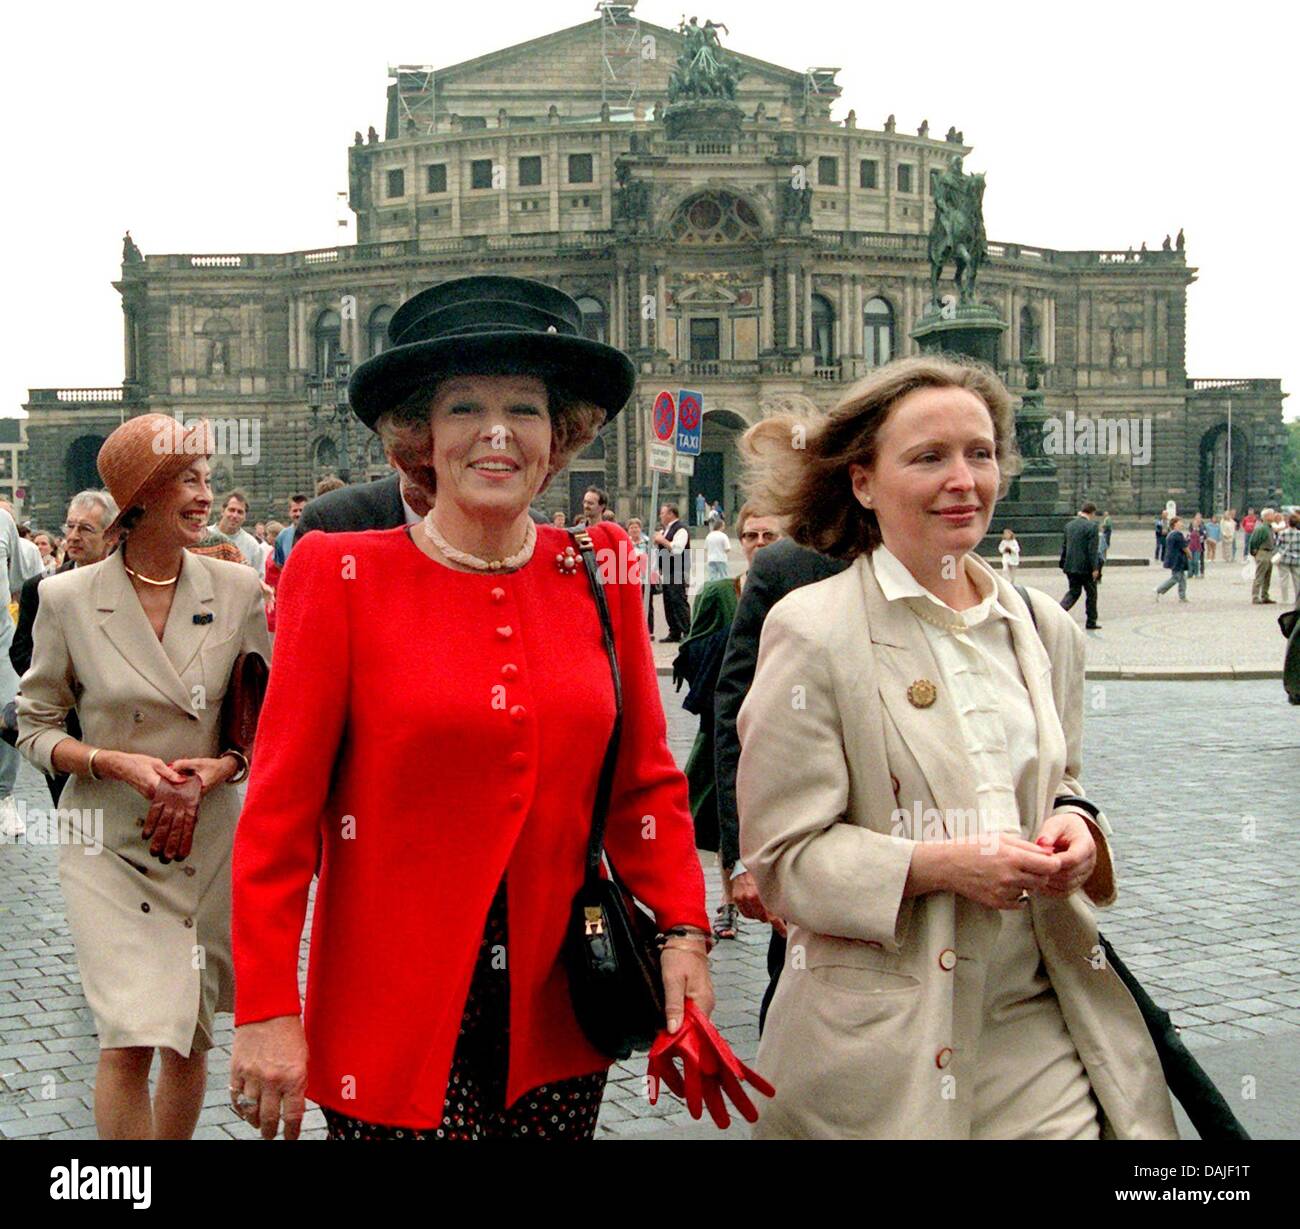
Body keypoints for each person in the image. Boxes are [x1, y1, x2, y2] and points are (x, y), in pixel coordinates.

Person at [229, 275, 713, 1142]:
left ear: (557, 435)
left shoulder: (601, 567)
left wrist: (683, 930)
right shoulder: (340, 576)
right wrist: (267, 1005)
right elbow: (277, 817)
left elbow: (642, 781)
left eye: (524, 409)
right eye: (465, 409)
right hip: (392, 1017)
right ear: (420, 434)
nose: (498, 433)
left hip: (559, 1010)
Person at [734, 354, 1177, 1139]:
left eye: (980, 452)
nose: (963, 478)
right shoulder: (812, 630)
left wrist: (1078, 829)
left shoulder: (1045, 627)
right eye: (929, 457)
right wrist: (944, 866)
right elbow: (784, 860)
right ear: (864, 482)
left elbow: (1060, 779)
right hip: (885, 1047)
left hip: (1041, 1031)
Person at [16, 414, 270, 1139]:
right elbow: (33, 724)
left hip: (206, 834)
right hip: (110, 843)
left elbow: (258, 716)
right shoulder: (66, 601)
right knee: (127, 1033)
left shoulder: (238, 587)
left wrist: (217, 770)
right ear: (143, 496)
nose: (204, 494)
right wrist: (114, 761)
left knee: (186, 1033)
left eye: (208, 479)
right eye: (188, 480)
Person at [674, 503, 782, 942]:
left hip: (778, 722)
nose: (758, 544)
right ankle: (726, 900)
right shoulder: (720, 592)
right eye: (751, 536)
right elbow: (692, 648)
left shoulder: (796, 587)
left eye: (767, 536)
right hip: (724, 721)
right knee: (725, 811)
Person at [9, 491, 119, 806]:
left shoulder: (129, 587)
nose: (72, 536)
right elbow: (21, 651)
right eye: (69, 527)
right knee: (70, 809)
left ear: (110, 535)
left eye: (85, 529)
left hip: (114, 723)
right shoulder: (41, 587)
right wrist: (54, 679)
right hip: (61, 723)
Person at [0, 505, 29, 838]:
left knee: (9, 714)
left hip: (1, 639)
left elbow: (19, 579)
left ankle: (3, 796)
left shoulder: (4, 521)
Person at [1059, 502, 1102, 630]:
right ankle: (1091, 621)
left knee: (1074, 592)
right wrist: (1095, 568)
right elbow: (1092, 550)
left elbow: (1065, 546)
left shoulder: (1069, 526)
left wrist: (1063, 563)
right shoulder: (1092, 527)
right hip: (1086, 568)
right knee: (1091, 594)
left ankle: (1058, 612)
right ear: (1092, 513)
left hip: (1070, 565)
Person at [652, 503, 691, 642]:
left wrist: (663, 540)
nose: (660, 516)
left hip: (677, 570)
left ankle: (687, 631)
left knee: (678, 600)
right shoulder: (666, 529)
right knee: (668, 602)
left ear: (671, 514)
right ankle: (674, 631)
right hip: (667, 570)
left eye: (663, 513)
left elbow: (677, 549)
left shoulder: (681, 529)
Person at [206, 491, 261, 569]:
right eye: (231, 510)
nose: (235, 515)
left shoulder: (252, 546)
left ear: (245, 516)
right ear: (222, 511)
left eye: (240, 512)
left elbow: (258, 578)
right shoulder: (204, 535)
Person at [1156, 515, 1190, 602]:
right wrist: (1189, 554)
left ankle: (1182, 597)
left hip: (1174, 559)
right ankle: (1159, 589)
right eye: (1180, 522)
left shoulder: (1170, 534)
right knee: (1176, 578)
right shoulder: (1177, 534)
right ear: (1175, 524)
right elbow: (1184, 547)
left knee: (1182, 578)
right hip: (1177, 560)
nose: (1182, 524)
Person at [1249, 508, 1277, 604]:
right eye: (1272, 514)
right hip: (1263, 552)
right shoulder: (1261, 528)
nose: (1274, 516)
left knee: (1267, 576)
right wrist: (1254, 552)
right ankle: (1255, 596)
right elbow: (1253, 541)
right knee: (1260, 576)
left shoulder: (1270, 528)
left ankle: (1265, 595)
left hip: (1269, 553)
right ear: (1266, 517)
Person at [272, 494, 308, 568]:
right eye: (295, 511)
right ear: (289, 513)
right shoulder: (282, 536)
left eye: (301, 510)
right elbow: (279, 564)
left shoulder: (316, 532)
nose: (298, 514)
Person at [1275, 511, 1300, 608]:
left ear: (1288, 522)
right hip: (1297, 559)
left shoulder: (1282, 533)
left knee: (1284, 579)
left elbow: (1278, 545)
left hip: (1284, 558)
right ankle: (1297, 599)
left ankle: (1284, 599)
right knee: (1297, 580)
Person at [704, 514, 730, 581]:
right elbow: (727, 549)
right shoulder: (723, 536)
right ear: (721, 526)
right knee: (724, 577)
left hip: (711, 559)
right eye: (723, 526)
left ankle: (713, 590)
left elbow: (706, 548)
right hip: (721, 559)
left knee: (712, 578)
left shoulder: (709, 536)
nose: (724, 527)